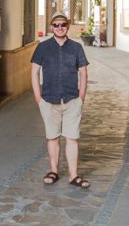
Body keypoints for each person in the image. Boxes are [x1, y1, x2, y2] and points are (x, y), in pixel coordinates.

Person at [30, 13, 91, 188]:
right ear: (51, 27)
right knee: (53, 137)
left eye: (63, 24)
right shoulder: (43, 47)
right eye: (56, 25)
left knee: (72, 138)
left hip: (72, 99)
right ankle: (54, 171)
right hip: (49, 100)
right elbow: (34, 72)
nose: (59, 27)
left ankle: (73, 175)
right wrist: (38, 99)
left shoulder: (76, 48)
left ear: (68, 26)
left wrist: (81, 98)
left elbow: (83, 73)